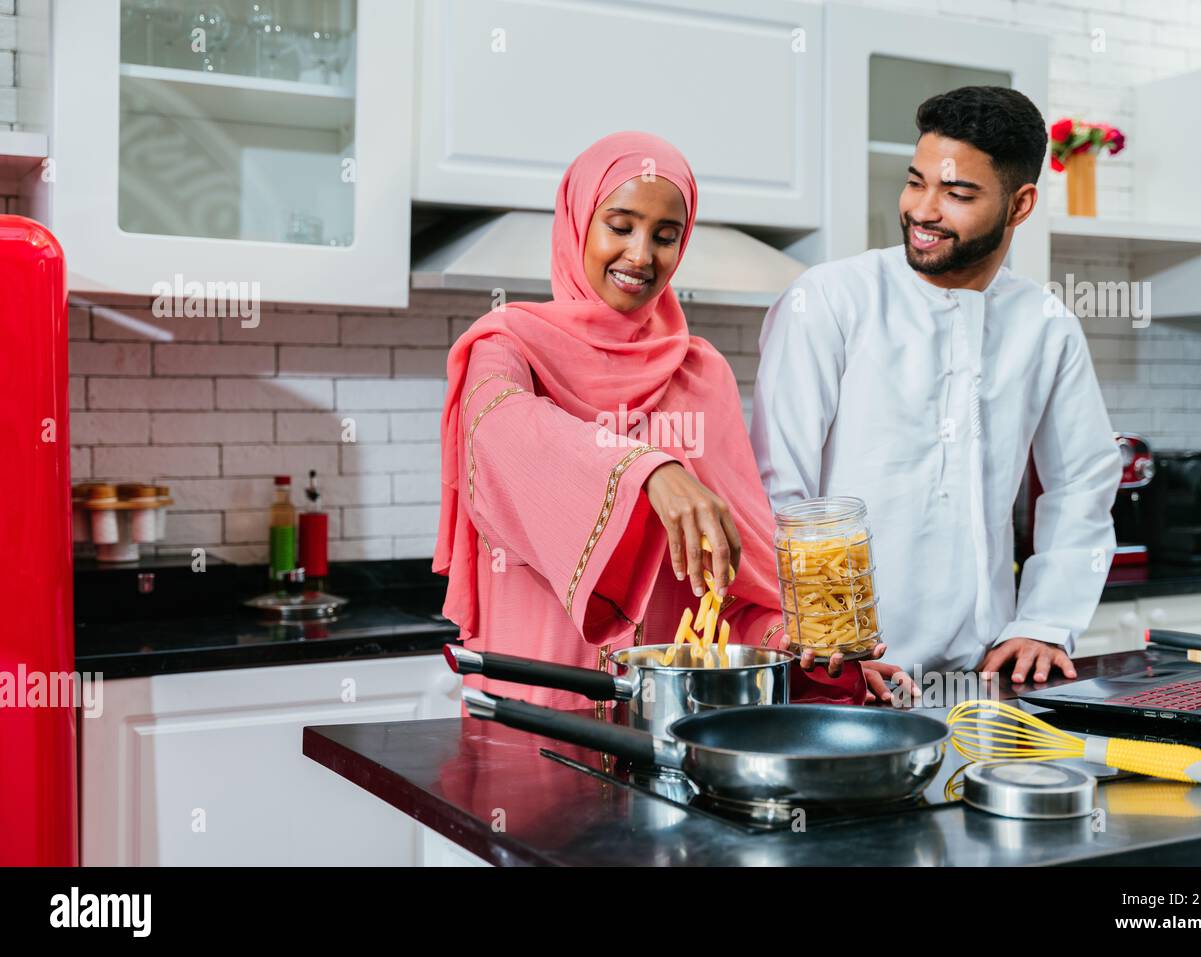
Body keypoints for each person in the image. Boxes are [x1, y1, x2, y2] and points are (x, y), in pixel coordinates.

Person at [434, 131, 906, 711]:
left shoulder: (701, 372)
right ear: (579, 221)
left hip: (667, 722)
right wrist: (650, 472)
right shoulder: (508, 347)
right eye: (620, 225)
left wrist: (798, 645)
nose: (640, 255)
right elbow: (500, 430)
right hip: (539, 708)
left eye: (665, 236)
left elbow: (731, 592)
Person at [751, 87, 1122, 691]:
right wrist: (828, 646)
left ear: (1020, 204)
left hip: (986, 676)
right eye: (916, 181)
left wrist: (1046, 621)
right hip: (848, 675)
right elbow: (777, 489)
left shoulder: (1045, 323)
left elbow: (1083, 480)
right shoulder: (829, 299)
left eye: (957, 193)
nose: (923, 210)